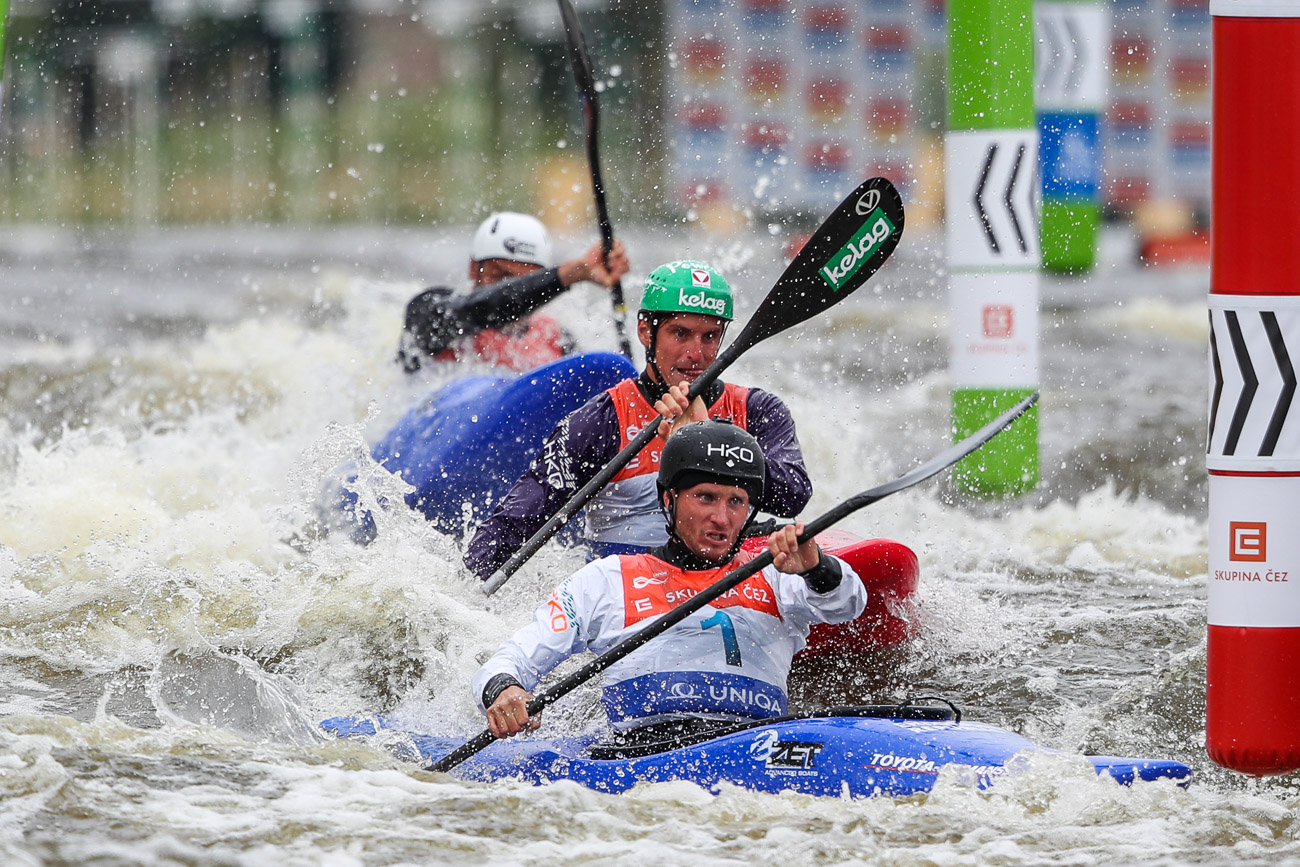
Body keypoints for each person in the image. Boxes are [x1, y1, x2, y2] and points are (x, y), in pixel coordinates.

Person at [471, 420, 866, 738]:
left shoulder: (778, 573)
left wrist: (818, 567)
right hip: (643, 755)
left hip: (755, 742)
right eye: (706, 497)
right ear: (668, 499)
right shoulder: (607, 580)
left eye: (737, 502)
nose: (722, 518)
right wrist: (505, 689)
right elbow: (510, 660)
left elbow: (849, 604)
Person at [463, 259, 812, 578]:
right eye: (680, 334)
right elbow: (513, 522)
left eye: (710, 337)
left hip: (724, 580)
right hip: (632, 588)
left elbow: (793, 496)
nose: (696, 354)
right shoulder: (600, 421)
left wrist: (708, 438)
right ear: (646, 331)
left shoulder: (758, 410)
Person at [397, 211, 631, 373]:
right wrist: (571, 273)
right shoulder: (433, 313)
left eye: (528, 281)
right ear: (473, 268)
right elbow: (484, 307)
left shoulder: (558, 341)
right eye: (500, 276)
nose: (516, 291)